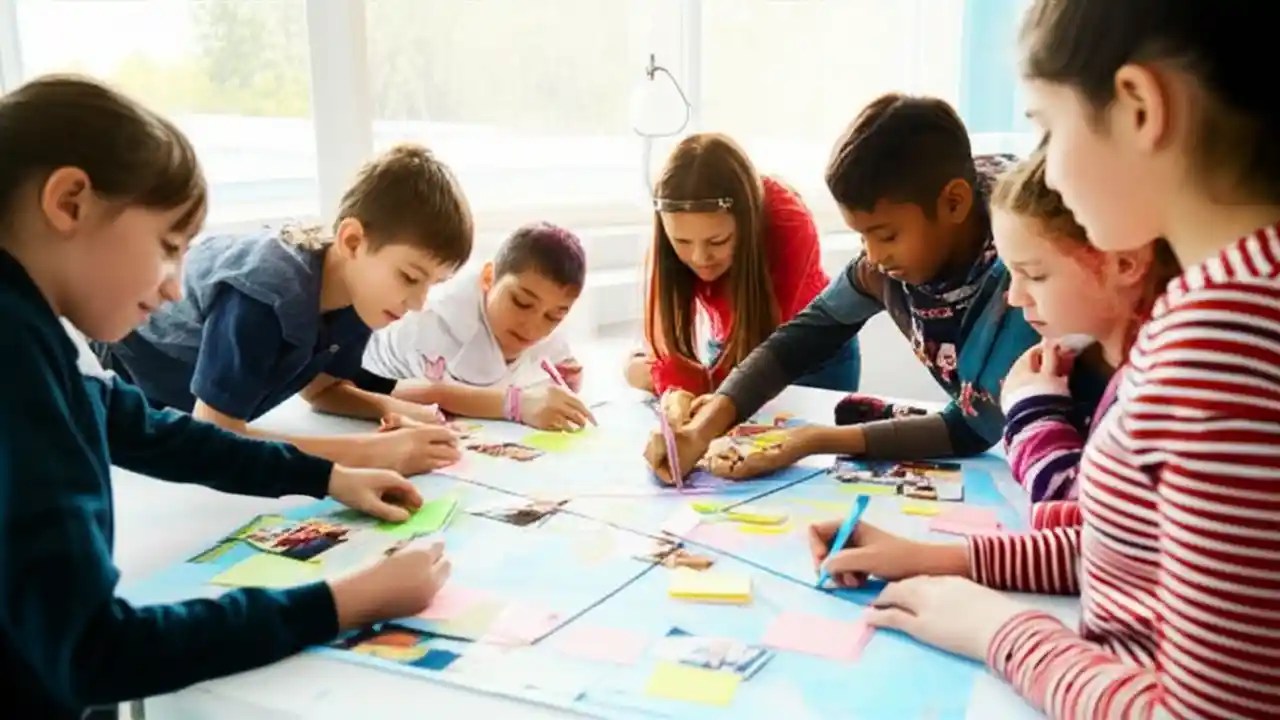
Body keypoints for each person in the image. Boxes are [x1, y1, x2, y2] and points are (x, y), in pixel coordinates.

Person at [810, 2, 1280, 716]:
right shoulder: (1222, 300)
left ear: (1138, 108)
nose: (1043, 166)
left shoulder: (1223, 335)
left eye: (1045, 126)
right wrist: (943, 558)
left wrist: (998, 629)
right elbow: (1134, 549)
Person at [0, 75, 453, 720]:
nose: (175, 289)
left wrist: (328, 476)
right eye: (168, 248)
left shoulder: (34, 337)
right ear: (70, 201)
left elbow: (154, 431)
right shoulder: (14, 355)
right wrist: (345, 601)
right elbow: (95, 651)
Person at [99, 144, 474, 475]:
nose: (418, 303)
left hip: (178, 423)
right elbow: (215, 433)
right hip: (117, 394)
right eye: (410, 277)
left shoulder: (362, 298)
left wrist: (405, 413)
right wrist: (370, 452)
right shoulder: (265, 293)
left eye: (433, 285)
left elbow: (323, 390)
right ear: (353, 241)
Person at [992, 150, 1179, 508]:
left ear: (1124, 263)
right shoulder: (1074, 365)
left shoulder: (1157, 378)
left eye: (1034, 275)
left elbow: (1080, 510)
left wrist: (1032, 407)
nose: (1014, 297)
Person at [624, 132, 860, 398]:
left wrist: (698, 393)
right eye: (682, 241)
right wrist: (671, 386)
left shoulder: (788, 223)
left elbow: (771, 353)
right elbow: (670, 353)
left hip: (812, 354)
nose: (700, 258)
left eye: (717, 241)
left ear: (745, 223)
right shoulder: (667, 237)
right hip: (727, 345)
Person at [363, 221, 596, 430]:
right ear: (487, 278)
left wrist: (564, 378)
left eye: (554, 316)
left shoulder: (540, 317)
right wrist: (517, 404)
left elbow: (554, 363)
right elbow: (430, 394)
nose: (533, 327)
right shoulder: (439, 322)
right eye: (521, 303)